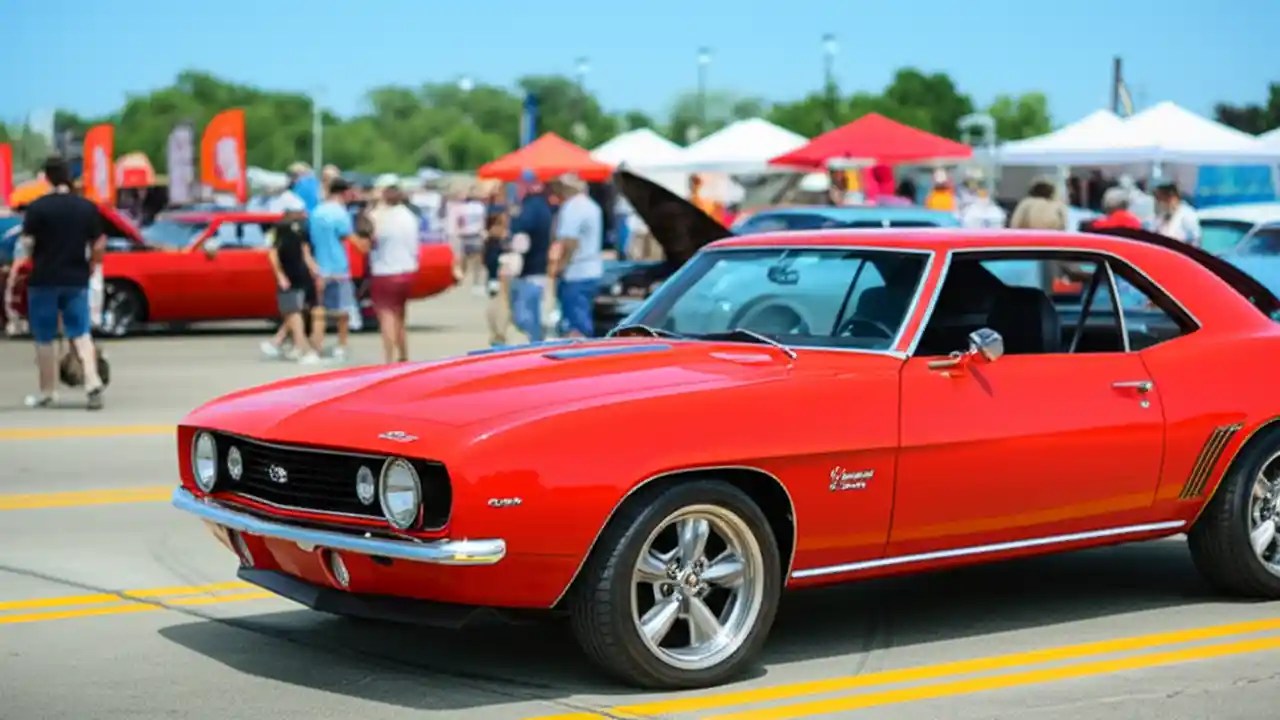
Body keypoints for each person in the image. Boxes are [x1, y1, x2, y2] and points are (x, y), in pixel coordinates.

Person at [20, 157, 106, 410]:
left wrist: (30, 260)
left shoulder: (37, 208)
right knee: (80, 332)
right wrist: (92, 266)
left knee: (45, 337)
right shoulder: (86, 207)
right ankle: (92, 382)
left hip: (44, 280)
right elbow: (99, 242)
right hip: (76, 278)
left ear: (47, 177)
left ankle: (48, 392)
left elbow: (27, 244)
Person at [308, 178, 363, 361]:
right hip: (339, 267)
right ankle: (341, 345)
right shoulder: (340, 213)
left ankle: (317, 347)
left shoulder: (316, 212)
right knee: (342, 311)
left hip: (320, 266)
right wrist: (366, 246)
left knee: (319, 310)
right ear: (344, 193)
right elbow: (349, 237)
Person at [367, 177, 420, 363]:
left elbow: (369, 240)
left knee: (386, 315)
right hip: (406, 270)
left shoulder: (377, 216)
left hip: (384, 270)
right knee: (400, 315)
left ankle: (388, 357)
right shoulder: (409, 216)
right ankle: (404, 354)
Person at [261, 208, 321, 364]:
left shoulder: (300, 230)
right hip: (291, 276)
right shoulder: (283, 229)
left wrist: (313, 268)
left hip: (298, 276)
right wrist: (281, 275)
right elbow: (274, 254)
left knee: (294, 312)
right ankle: (294, 346)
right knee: (293, 312)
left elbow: (305, 252)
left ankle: (300, 348)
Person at [549, 173, 603, 338]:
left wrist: (561, 265)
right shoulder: (592, 206)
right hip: (593, 269)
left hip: (576, 272)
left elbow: (570, 241)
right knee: (584, 318)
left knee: (576, 325)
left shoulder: (572, 207)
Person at [509, 171, 554, 343]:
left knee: (525, 318)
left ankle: (535, 348)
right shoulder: (544, 205)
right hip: (539, 268)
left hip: (530, 270)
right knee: (533, 317)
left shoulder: (531, 207)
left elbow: (521, 234)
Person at [1153, 182, 1202, 246]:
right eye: (1158, 199)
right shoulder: (1162, 217)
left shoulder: (1188, 215)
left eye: (1163, 199)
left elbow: (1195, 240)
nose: (1161, 203)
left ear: (1172, 197)